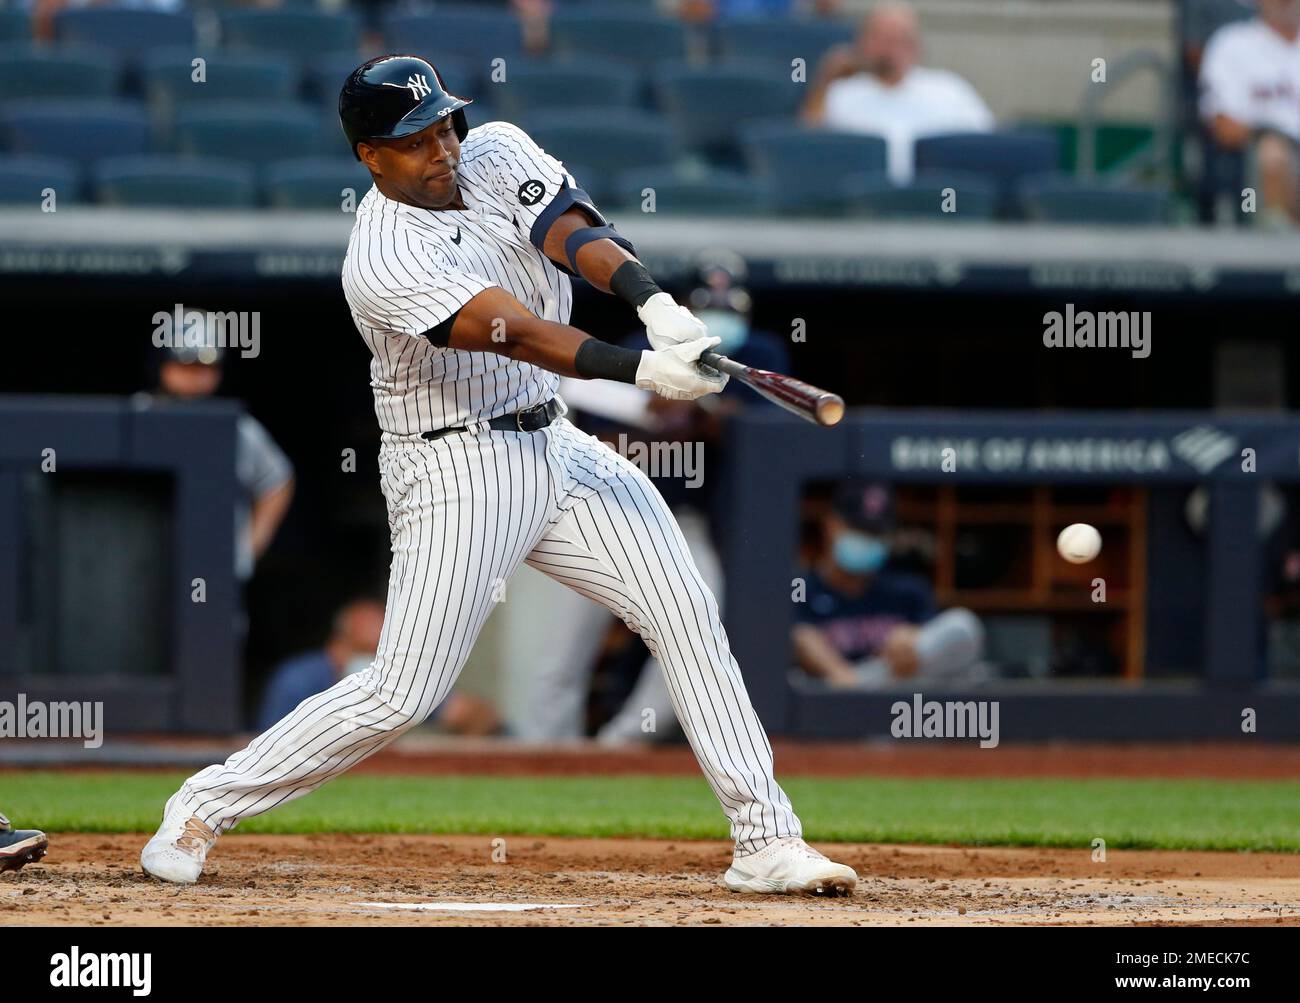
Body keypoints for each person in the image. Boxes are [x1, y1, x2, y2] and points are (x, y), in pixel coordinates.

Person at [140, 55, 857, 896]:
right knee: (403, 693)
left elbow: (571, 230)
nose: (441, 148)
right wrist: (642, 372)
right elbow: (510, 329)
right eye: (414, 140)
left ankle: (766, 839)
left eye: (444, 125)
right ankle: (203, 804)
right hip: (455, 463)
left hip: (556, 439)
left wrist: (654, 303)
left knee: (686, 608)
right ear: (370, 156)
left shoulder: (493, 149)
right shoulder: (380, 258)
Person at [524, 249, 791, 744]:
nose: (719, 316)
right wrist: (656, 417)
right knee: (565, 639)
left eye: (729, 307)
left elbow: (747, 428)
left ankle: (621, 744)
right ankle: (545, 747)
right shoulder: (636, 347)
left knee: (698, 620)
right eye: (707, 305)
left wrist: (697, 412)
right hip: (609, 508)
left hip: (685, 519)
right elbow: (593, 439)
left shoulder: (761, 354)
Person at [135, 315, 295, 585]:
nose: (198, 377)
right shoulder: (137, 418)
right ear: (163, 364)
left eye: (206, 367)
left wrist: (245, 550)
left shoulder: (236, 429)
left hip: (211, 572)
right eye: (187, 366)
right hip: (140, 564)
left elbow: (278, 481)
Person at [793, 480, 983, 689]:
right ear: (831, 525)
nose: (867, 539)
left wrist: (913, 638)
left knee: (963, 624)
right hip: (821, 705)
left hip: (896, 700)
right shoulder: (801, 586)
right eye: (859, 529)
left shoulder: (909, 589)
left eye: (876, 533)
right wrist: (837, 672)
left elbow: (939, 644)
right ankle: (855, 689)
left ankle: (858, 689)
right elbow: (800, 638)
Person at [801, 1, 994, 183]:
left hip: (936, 201)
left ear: (917, 46)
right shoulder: (841, 93)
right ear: (861, 42)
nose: (888, 47)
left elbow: (985, 146)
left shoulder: (949, 89)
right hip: (863, 207)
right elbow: (807, 150)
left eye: (899, 39)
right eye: (879, 37)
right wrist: (825, 79)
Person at [258, 598, 501, 735]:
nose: (371, 660)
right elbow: (265, 743)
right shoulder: (299, 679)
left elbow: (478, 714)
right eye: (365, 650)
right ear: (337, 645)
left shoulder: (397, 678)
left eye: (379, 652)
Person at [1199, 0, 1300, 226]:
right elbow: (1224, 127)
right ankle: (1278, 244)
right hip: (1265, 153)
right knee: (1273, 153)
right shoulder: (1233, 43)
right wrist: (1271, 134)